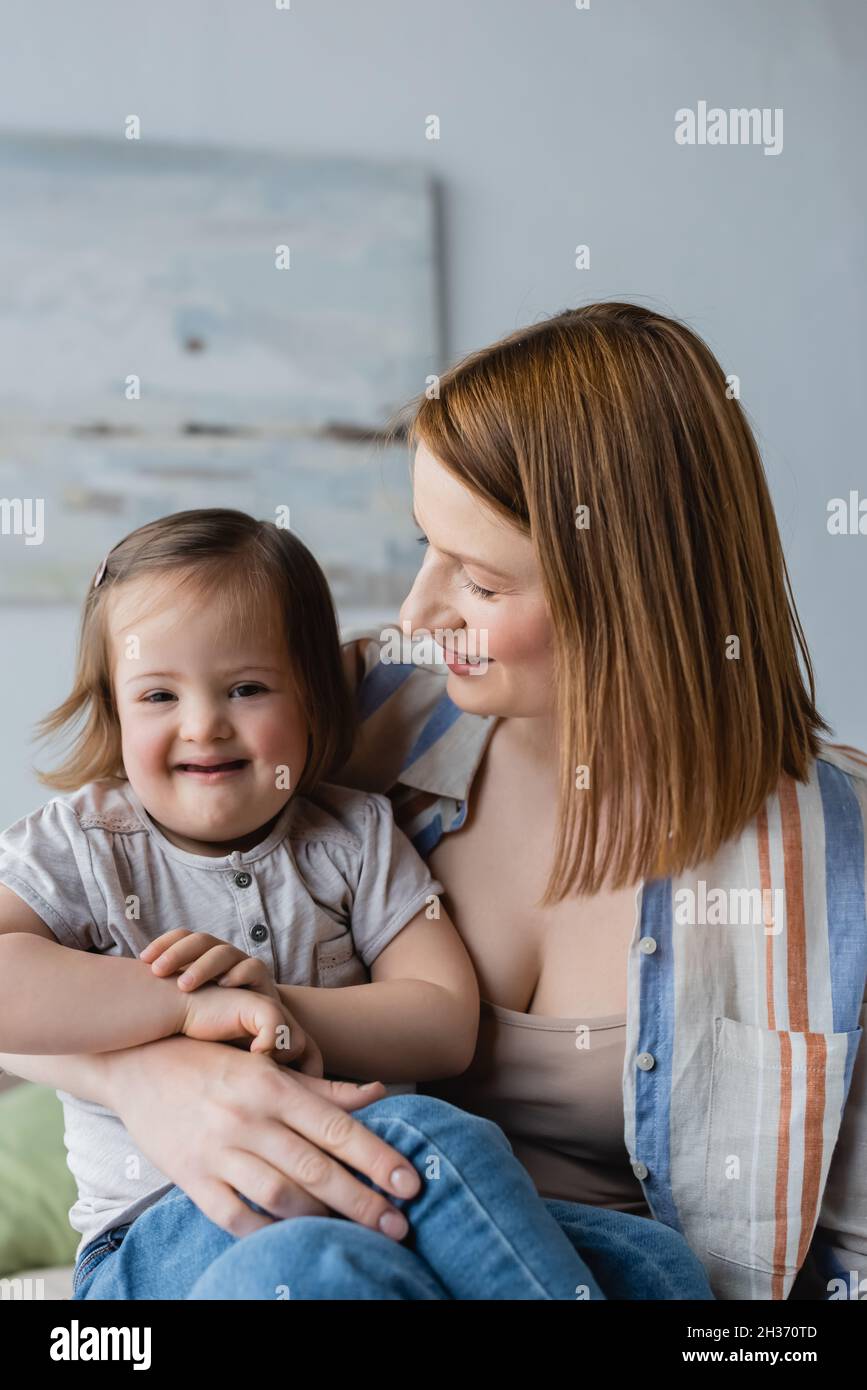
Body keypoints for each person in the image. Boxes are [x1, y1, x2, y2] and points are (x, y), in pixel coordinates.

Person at [2, 302, 864, 1300]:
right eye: (424, 546)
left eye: (484, 584)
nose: (414, 613)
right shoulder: (357, 710)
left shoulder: (831, 855)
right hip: (276, 1237)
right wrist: (145, 1073)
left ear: (627, 588)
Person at [0, 504, 714, 1301]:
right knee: (409, 1161)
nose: (204, 726)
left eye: (245, 688)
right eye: (158, 695)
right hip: (166, 1229)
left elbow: (443, 1021)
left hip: (373, 1191)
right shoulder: (83, 844)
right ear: (112, 707)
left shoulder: (353, 835)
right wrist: (177, 1004)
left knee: (649, 1263)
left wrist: (268, 999)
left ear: (311, 698)